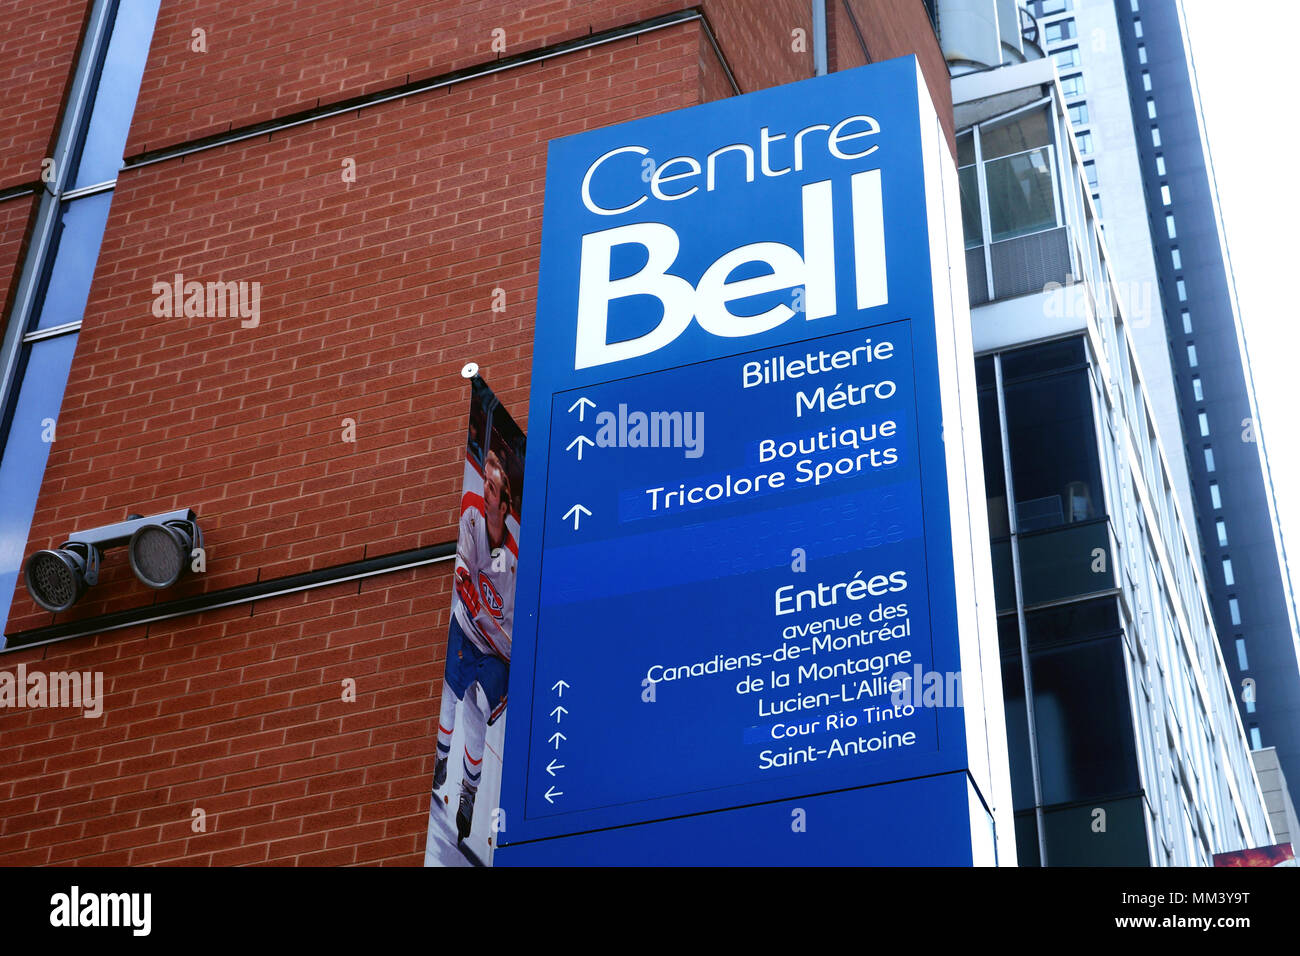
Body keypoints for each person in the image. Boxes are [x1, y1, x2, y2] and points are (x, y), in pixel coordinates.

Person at [433, 450, 516, 841]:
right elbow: (462, 562)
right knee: (449, 693)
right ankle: (440, 758)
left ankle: (468, 792)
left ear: (505, 502)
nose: (484, 489)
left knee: (476, 708)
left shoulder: (518, 564)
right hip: (467, 627)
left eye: (492, 486)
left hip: (498, 652)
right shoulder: (470, 511)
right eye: (483, 479)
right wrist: (465, 578)